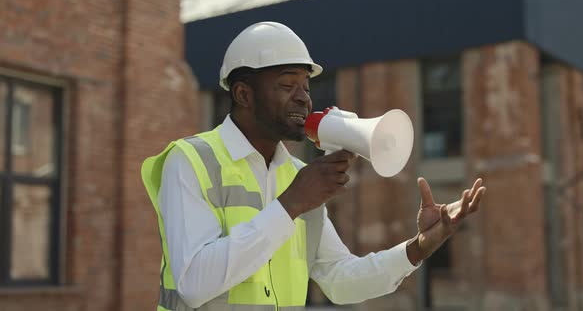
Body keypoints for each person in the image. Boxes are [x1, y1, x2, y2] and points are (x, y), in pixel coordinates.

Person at [141, 21, 486, 311]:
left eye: (306, 87)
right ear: (244, 95)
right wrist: (290, 204)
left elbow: (338, 280)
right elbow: (193, 283)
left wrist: (419, 247)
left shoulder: (296, 176)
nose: (304, 98)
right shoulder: (190, 161)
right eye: (287, 85)